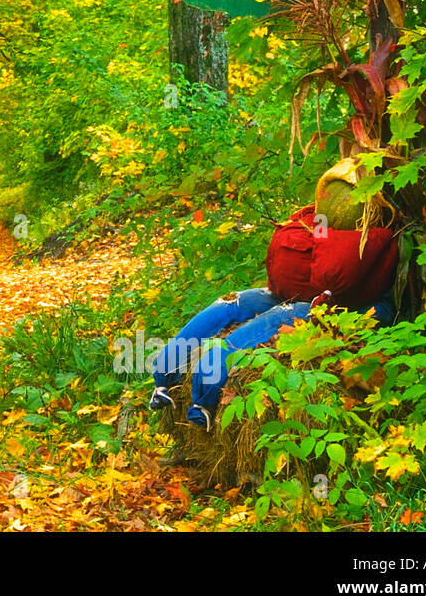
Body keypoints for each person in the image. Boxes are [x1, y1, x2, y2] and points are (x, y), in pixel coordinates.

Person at [148, 158, 399, 431]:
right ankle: (201, 401)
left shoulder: (312, 221)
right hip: (311, 303)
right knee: (263, 319)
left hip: (285, 292)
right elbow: (351, 290)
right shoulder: (372, 239)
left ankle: (165, 374)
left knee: (231, 304)